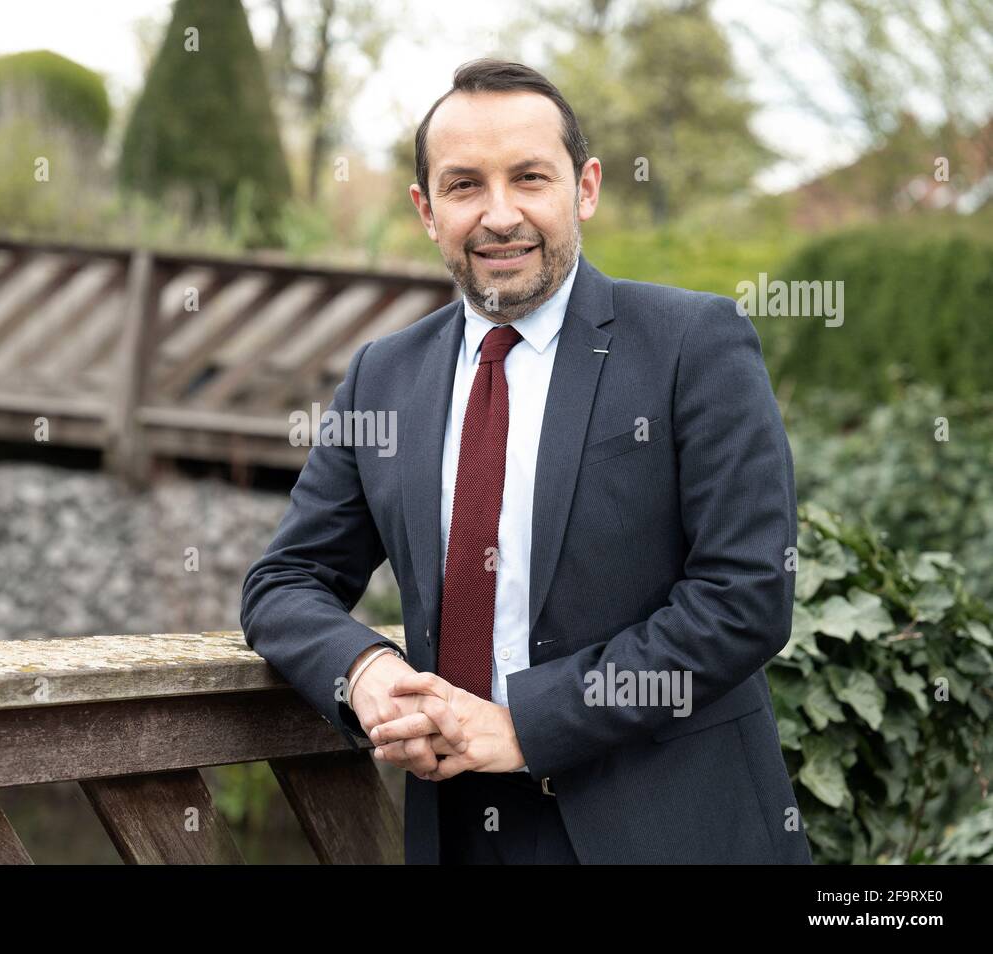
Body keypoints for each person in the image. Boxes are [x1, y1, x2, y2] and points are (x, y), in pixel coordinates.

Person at [241, 58, 812, 865]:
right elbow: (284, 582)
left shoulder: (694, 345)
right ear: (426, 209)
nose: (499, 214)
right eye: (465, 184)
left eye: (530, 178)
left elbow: (747, 595)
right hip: (458, 830)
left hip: (665, 829)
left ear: (585, 188)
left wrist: (524, 725)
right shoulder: (385, 375)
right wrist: (365, 671)